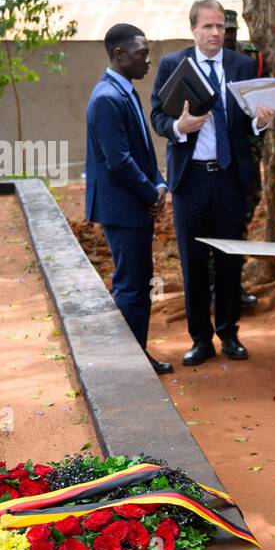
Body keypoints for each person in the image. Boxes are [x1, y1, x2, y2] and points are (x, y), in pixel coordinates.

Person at [149, 0, 274, 367]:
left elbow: (247, 124)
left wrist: (261, 122)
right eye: (208, 27)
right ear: (194, 31)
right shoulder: (174, 65)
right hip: (190, 180)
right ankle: (200, 339)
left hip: (229, 179)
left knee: (229, 258)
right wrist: (178, 128)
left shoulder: (242, 65)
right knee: (192, 260)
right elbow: (157, 115)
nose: (216, 33)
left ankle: (230, 334)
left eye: (220, 26)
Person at [84, 23, 173, 376]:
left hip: (136, 204)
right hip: (123, 209)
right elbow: (118, 160)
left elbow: (144, 151)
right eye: (141, 54)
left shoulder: (125, 92)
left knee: (138, 283)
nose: (148, 61)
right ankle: (129, 364)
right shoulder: (106, 98)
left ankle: (137, 355)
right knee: (131, 286)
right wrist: (151, 193)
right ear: (119, 55)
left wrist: (160, 184)